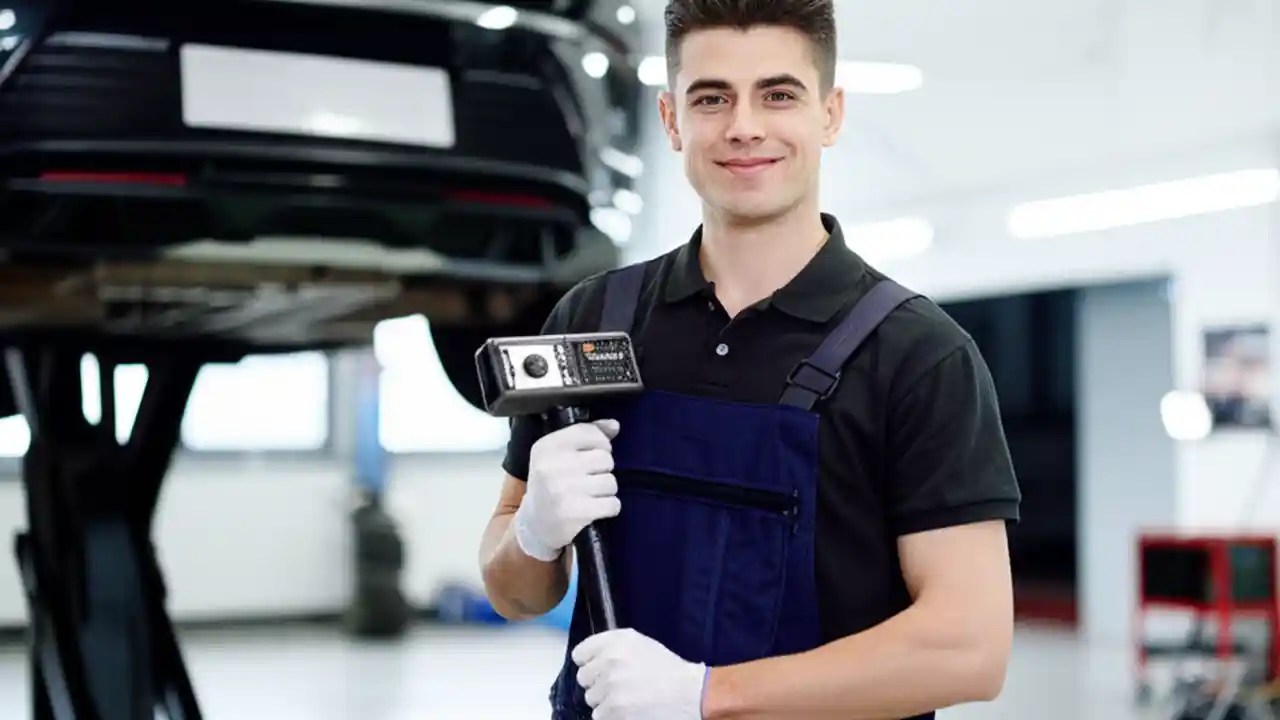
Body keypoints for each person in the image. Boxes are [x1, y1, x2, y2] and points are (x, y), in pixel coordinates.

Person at [477, 1, 1022, 718]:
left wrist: (705, 695)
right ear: (672, 121)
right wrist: (534, 533)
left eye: (778, 93)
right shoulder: (593, 321)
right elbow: (515, 593)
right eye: (711, 98)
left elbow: (969, 647)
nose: (743, 125)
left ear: (829, 114)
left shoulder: (919, 357)